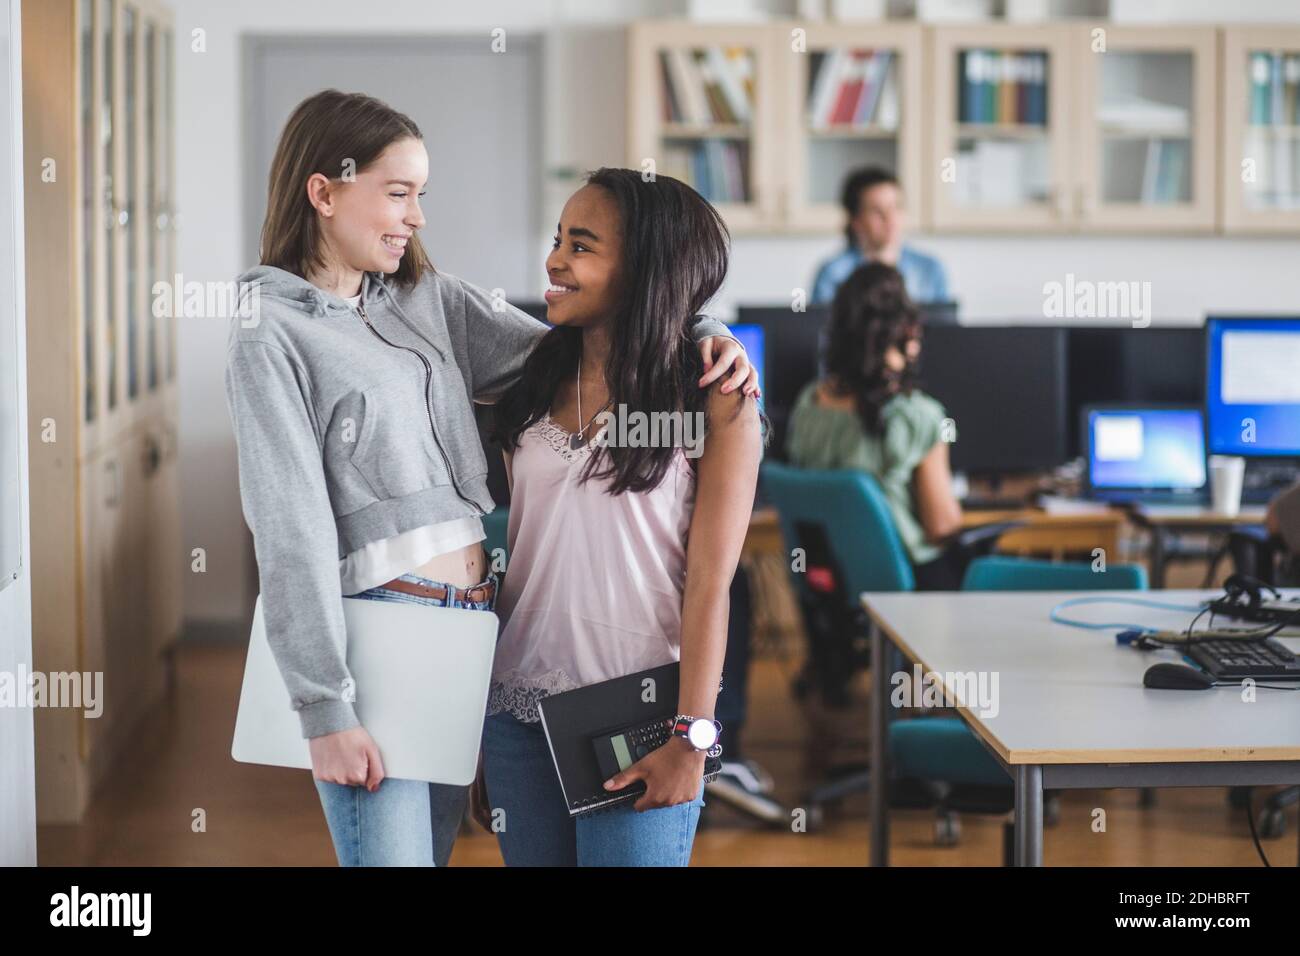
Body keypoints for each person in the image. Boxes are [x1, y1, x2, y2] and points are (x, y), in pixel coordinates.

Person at [223, 90, 757, 867]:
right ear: (324, 191)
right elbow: (290, 528)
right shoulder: (269, 330)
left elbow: (587, 342)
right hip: (383, 634)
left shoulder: (424, 300)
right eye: (399, 193)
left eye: (421, 196)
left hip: (470, 635)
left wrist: (706, 332)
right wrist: (321, 705)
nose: (417, 217)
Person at [478, 168, 764, 866]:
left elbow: (709, 585)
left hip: (644, 717)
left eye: (581, 246)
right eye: (556, 241)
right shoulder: (532, 373)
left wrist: (692, 738)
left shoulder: (714, 400)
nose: (553, 261)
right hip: (516, 709)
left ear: (644, 269)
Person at [786, 261, 965, 590]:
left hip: (835, 588)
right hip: (908, 589)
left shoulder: (808, 402)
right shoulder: (917, 416)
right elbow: (941, 526)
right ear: (906, 332)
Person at [811, 166, 949, 306]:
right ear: (856, 220)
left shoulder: (929, 269)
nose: (890, 218)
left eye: (896, 207)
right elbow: (821, 326)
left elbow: (943, 326)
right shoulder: (833, 274)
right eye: (877, 211)